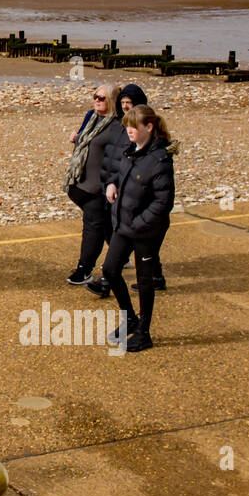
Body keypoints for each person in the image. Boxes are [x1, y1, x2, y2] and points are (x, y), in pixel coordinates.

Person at [89, 105, 175, 352]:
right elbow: (117, 172)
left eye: (133, 126)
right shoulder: (130, 151)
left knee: (144, 280)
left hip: (146, 231)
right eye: (127, 125)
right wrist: (112, 184)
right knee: (110, 269)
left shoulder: (159, 160)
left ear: (148, 127)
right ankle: (130, 318)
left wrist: (139, 224)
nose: (128, 130)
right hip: (123, 224)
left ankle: (144, 332)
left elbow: (163, 203)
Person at [65, 84, 118, 288]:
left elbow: (117, 157)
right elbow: (86, 140)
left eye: (102, 98)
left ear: (112, 101)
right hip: (81, 183)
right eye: (95, 96)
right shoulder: (91, 116)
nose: (97, 100)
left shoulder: (117, 125)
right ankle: (120, 254)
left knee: (93, 227)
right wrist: (76, 138)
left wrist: (110, 184)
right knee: (106, 226)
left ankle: (84, 270)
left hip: (98, 187)